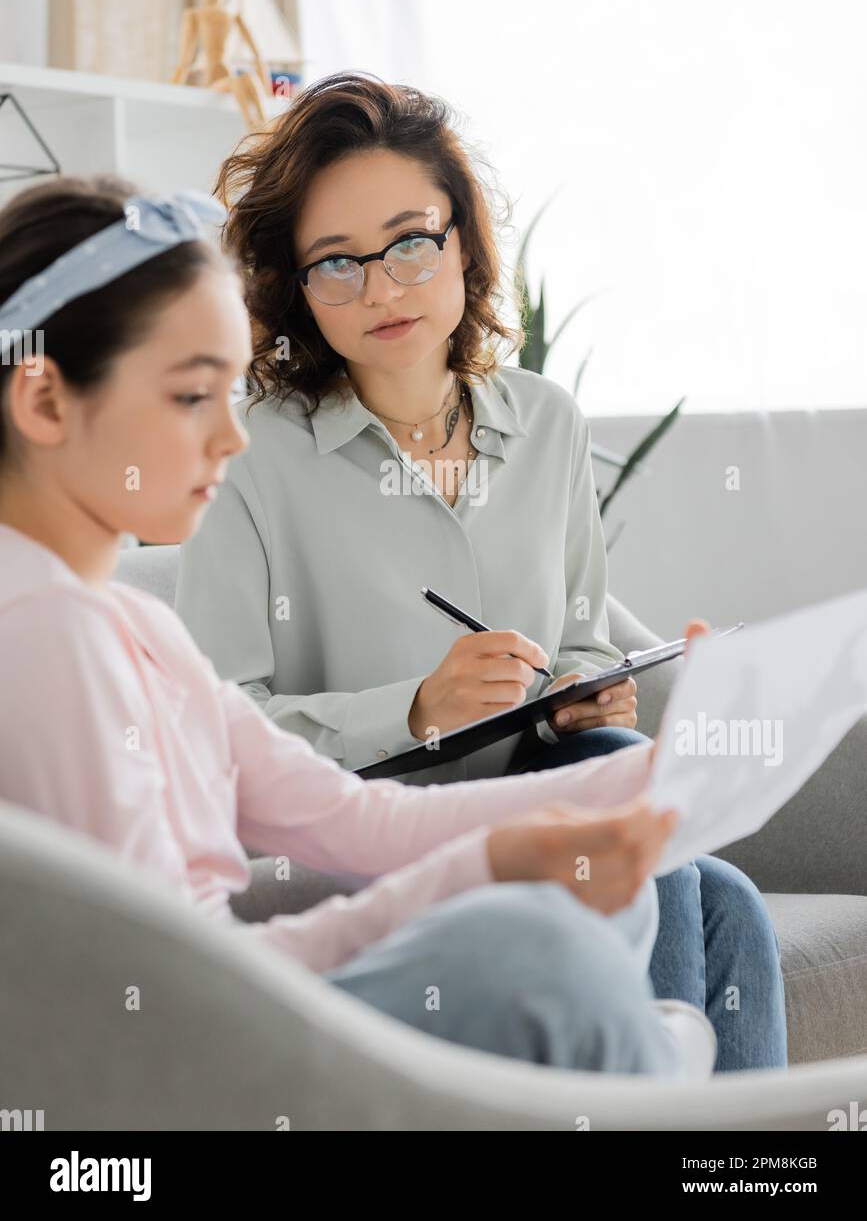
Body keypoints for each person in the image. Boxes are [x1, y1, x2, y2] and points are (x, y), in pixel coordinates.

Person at [0, 172, 719, 1078]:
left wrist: (664, 771)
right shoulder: (42, 635)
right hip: (177, 1068)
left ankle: (664, 1081)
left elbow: (352, 819)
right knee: (539, 952)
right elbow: (156, 995)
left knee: (642, 902)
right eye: (191, 396)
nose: (231, 437)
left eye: (230, 392)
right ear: (45, 401)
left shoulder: (131, 625)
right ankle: (663, 1078)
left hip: (218, 1011)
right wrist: (488, 865)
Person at [174, 71, 787, 1071]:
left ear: (462, 240)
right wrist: (415, 706)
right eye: (337, 263)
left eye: (411, 242)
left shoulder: (545, 423)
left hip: (545, 792)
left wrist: (590, 699)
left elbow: (583, 636)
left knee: (724, 896)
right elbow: (216, 729)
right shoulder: (245, 455)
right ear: (296, 284)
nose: (381, 287)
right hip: (378, 832)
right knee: (654, 845)